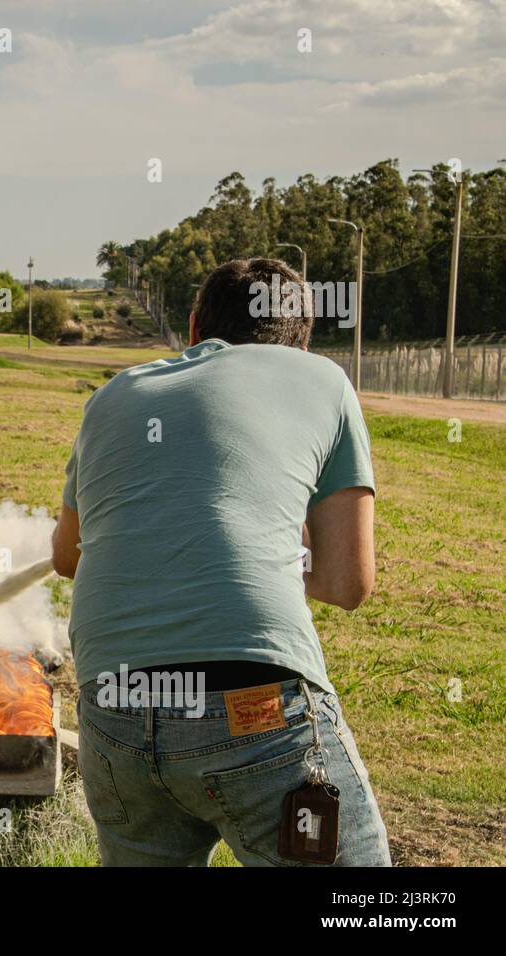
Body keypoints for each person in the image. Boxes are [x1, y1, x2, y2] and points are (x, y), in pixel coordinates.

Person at [50, 258, 390, 866]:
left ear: (193, 325)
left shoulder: (113, 396)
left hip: (114, 714)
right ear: (301, 339)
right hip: (253, 713)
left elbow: (66, 556)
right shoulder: (321, 380)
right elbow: (347, 582)